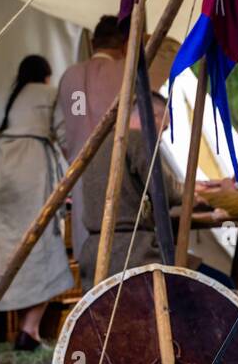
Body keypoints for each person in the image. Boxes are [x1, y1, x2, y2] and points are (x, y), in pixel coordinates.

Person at [0, 54, 71, 351]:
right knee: (42, 245)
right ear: (46, 76)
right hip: (30, 170)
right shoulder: (49, 93)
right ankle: (29, 328)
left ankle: (25, 328)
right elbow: (66, 136)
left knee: (7, 248)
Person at [77, 92, 180, 281]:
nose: (161, 138)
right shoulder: (138, 140)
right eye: (163, 129)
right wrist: (199, 194)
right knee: (217, 282)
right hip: (133, 255)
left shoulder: (98, 143)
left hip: (94, 252)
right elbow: (167, 191)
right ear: (154, 117)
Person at [57, 15, 129, 256]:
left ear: (93, 43)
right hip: (117, 168)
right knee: (118, 239)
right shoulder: (125, 72)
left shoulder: (70, 76)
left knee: (86, 238)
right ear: (124, 44)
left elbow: (62, 131)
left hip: (79, 166)